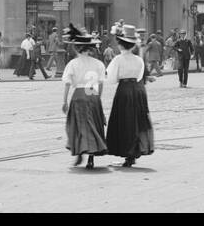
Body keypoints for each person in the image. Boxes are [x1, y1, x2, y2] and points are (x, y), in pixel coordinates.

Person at [104, 25, 153, 167]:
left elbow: (111, 79)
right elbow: (140, 76)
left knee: (124, 121)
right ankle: (134, 152)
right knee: (137, 121)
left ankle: (127, 151)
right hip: (138, 90)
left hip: (124, 90)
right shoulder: (139, 60)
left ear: (120, 44)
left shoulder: (118, 59)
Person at [61, 27, 107, 168]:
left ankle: (79, 152)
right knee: (93, 125)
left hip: (79, 94)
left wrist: (64, 101)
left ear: (76, 48)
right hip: (92, 94)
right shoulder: (98, 63)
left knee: (77, 125)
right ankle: (91, 158)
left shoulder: (73, 64)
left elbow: (68, 84)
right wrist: (98, 99)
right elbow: (101, 84)